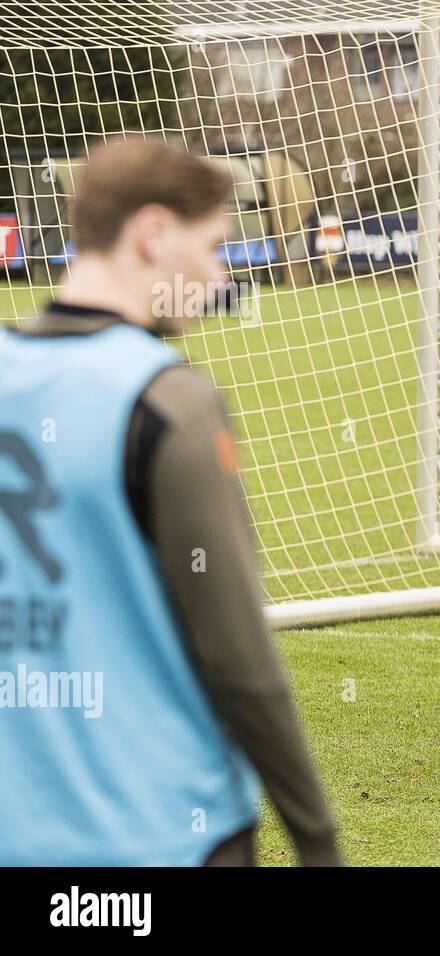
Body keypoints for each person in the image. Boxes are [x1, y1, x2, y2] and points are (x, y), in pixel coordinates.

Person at [0, 139, 340, 866]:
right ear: (152, 233)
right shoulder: (168, 398)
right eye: (214, 245)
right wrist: (318, 841)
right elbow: (239, 660)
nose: (219, 273)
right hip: (161, 828)